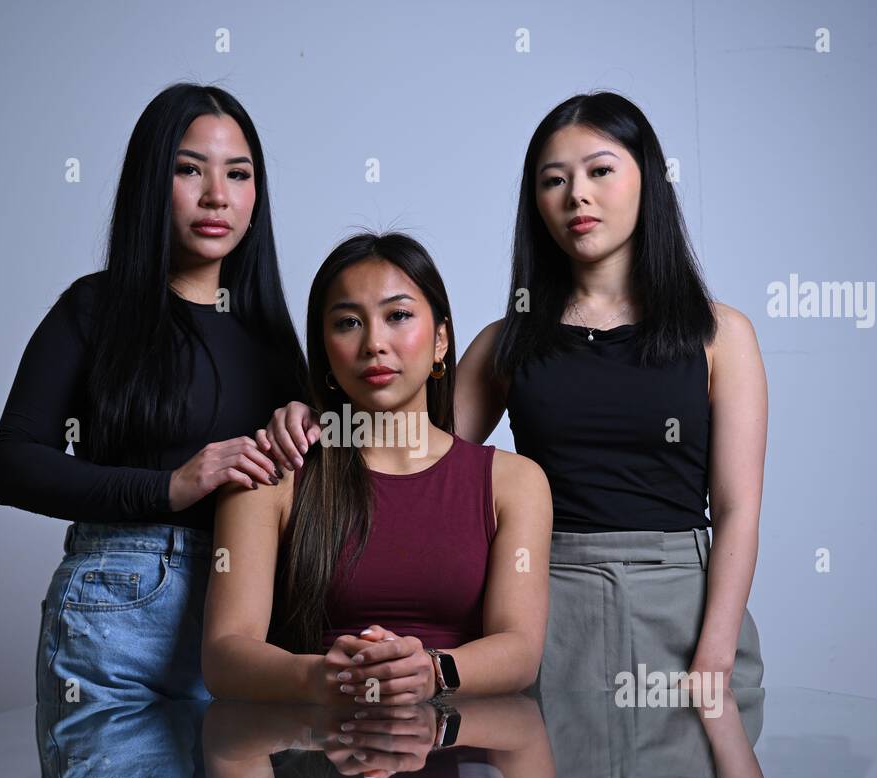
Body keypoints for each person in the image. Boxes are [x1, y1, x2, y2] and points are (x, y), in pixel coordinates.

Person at [262, 91, 765, 701]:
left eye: (600, 170)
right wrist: (314, 417)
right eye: (553, 180)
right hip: (548, 604)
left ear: (649, 180)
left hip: (685, 601)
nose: (577, 195)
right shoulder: (509, 341)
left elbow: (738, 510)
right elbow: (414, 458)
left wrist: (713, 654)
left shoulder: (721, 334)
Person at [0, 83, 307, 708]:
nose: (217, 195)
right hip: (119, 614)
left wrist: (312, 422)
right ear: (149, 183)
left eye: (238, 175)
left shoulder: (272, 336)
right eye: (189, 169)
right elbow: (11, 465)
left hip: (254, 620)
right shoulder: (96, 308)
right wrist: (167, 486)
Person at [202, 232, 552, 704]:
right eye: (348, 322)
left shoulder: (515, 482)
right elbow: (224, 657)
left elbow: (520, 650)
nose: (374, 343)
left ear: (441, 340)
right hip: (311, 756)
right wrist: (323, 676)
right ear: (324, 349)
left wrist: (432, 670)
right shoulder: (274, 473)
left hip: (458, 748)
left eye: (399, 316)